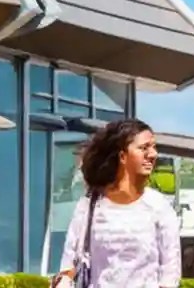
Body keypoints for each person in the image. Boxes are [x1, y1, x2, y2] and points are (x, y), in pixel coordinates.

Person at [52, 118, 181, 288]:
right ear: (122, 156)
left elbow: (170, 272)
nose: (153, 154)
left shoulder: (159, 207)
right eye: (144, 148)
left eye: (153, 147)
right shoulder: (89, 206)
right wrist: (63, 280)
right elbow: (69, 264)